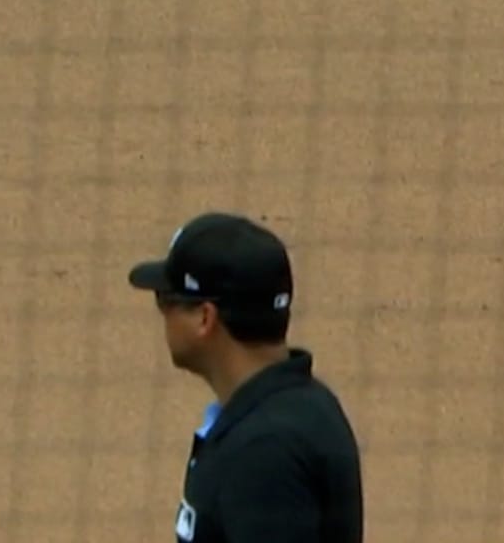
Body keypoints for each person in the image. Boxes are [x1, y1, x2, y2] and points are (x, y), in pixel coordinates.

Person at [127, 212, 364, 543]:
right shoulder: (304, 405)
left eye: (167, 300)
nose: (163, 315)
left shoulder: (265, 451)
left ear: (204, 318)